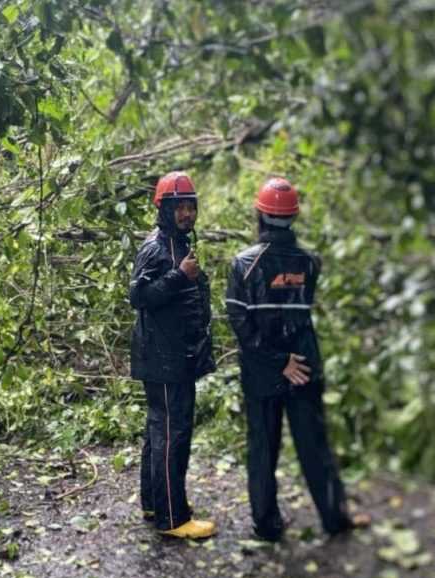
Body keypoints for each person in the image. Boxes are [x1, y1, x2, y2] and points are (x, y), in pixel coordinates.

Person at [225, 177, 369, 542]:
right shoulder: (311, 262)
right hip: (304, 366)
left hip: (262, 370)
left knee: (262, 447)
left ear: (260, 215)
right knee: (315, 446)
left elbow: (241, 324)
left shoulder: (243, 264)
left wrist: (275, 362)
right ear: (294, 217)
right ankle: (335, 519)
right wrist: (287, 361)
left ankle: (267, 526)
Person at [129, 171, 217, 539]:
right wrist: (180, 277)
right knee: (171, 434)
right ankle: (172, 518)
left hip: (174, 358)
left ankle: (156, 502)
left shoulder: (177, 243)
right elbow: (138, 297)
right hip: (164, 360)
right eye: (179, 207)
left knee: (159, 431)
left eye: (190, 206)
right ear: (163, 209)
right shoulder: (156, 247)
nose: (186, 214)